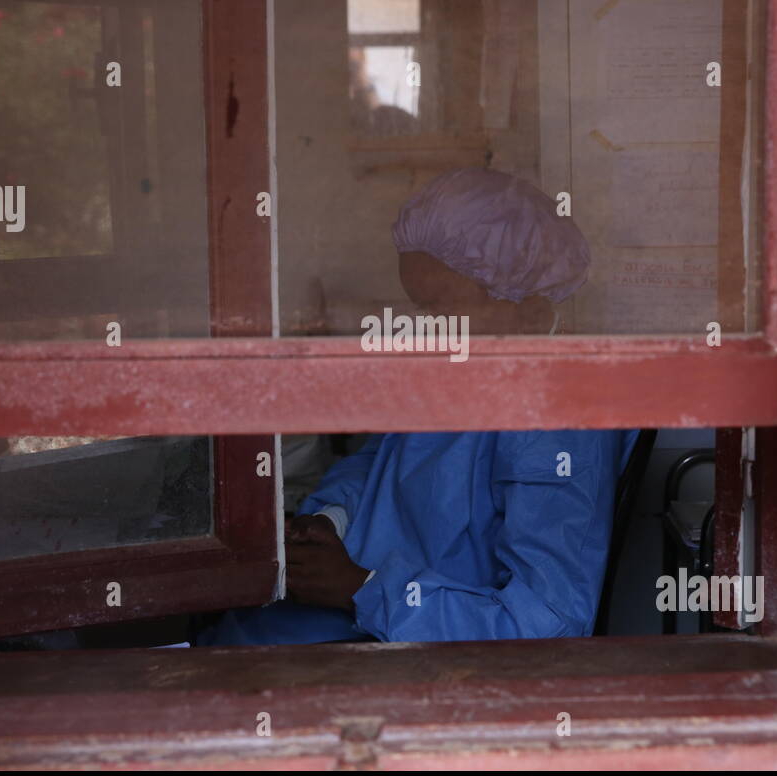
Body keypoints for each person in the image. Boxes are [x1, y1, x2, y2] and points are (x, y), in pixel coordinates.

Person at [193, 168, 635, 645]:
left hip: (421, 648)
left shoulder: (557, 421)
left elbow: (546, 621)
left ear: (523, 304)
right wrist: (330, 519)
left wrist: (361, 590)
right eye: (419, 309)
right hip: (357, 615)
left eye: (439, 308)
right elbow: (379, 464)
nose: (427, 327)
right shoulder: (462, 368)